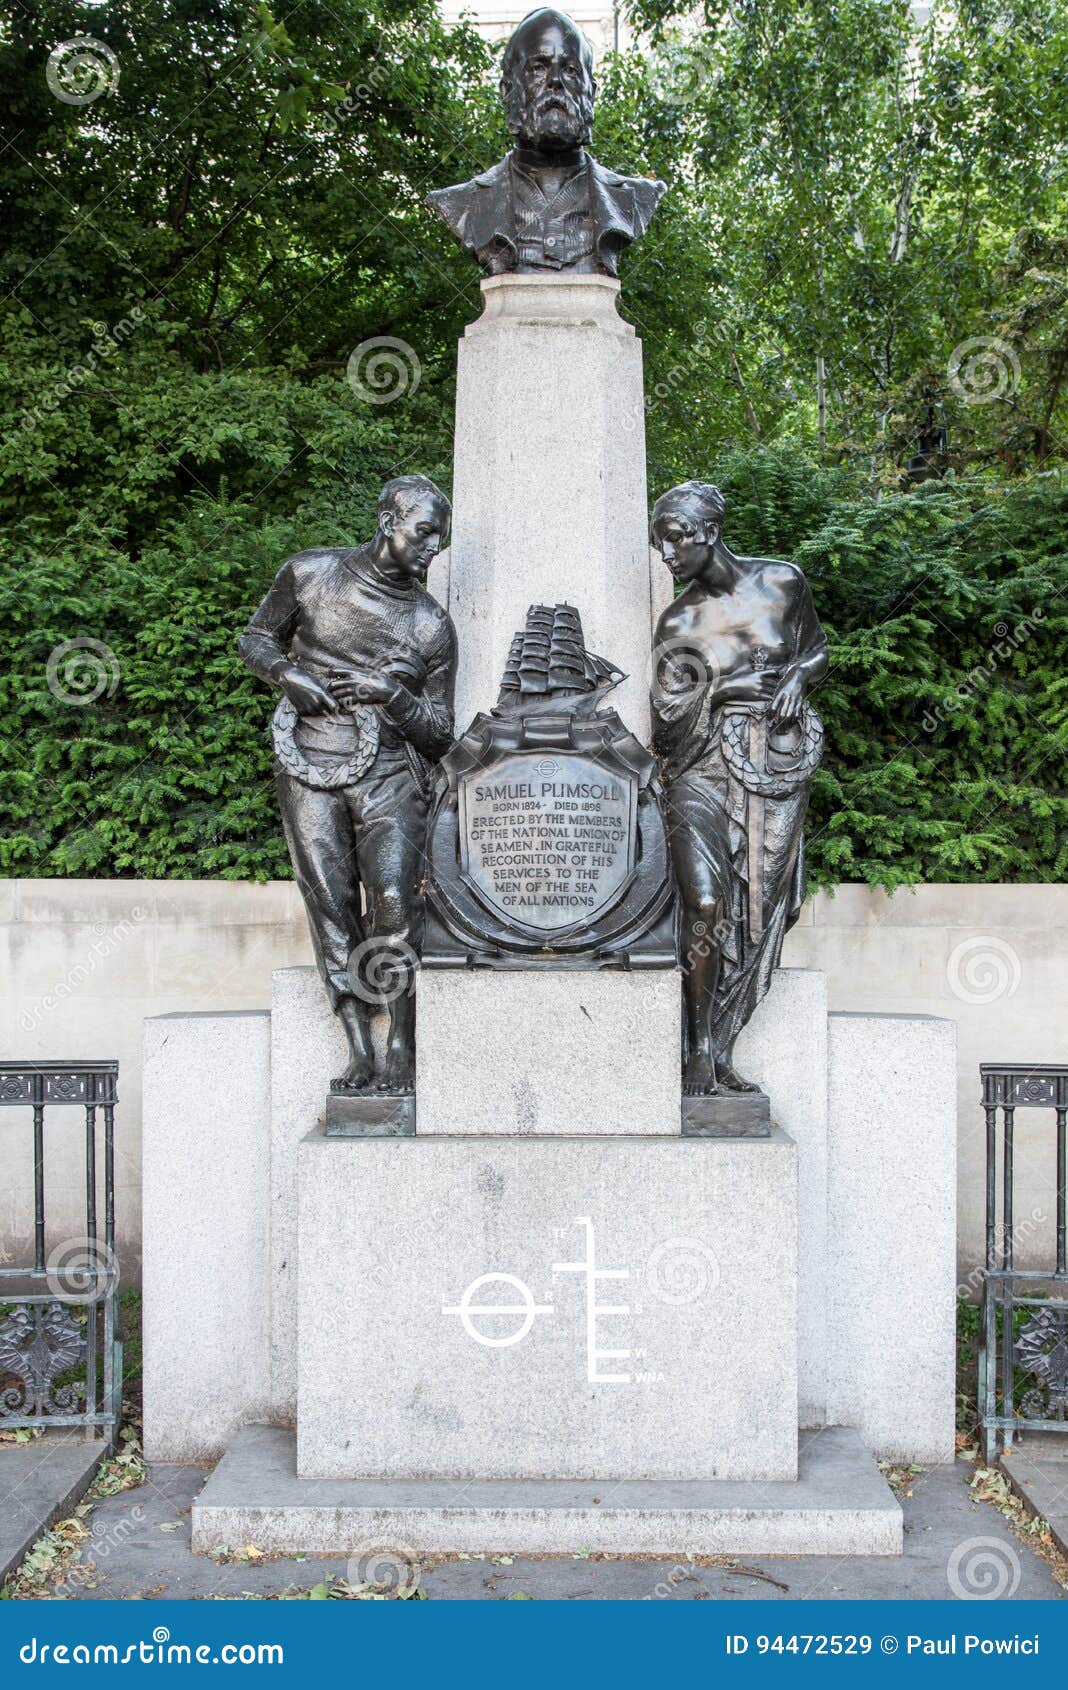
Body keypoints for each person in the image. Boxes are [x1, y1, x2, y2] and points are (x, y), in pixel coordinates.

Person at [238, 475, 456, 1096]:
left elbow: (441, 734)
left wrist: (395, 696)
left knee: (394, 901)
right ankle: (359, 1044)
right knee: (329, 899)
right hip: (308, 763)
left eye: (439, 538)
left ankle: (402, 1039)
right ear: (389, 520)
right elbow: (255, 637)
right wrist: (284, 673)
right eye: (423, 532)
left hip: (391, 773)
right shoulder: (310, 574)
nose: (431, 548)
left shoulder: (431, 625)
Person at [650, 481, 828, 1098]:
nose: (665, 556)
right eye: (659, 543)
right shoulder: (679, 620)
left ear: (708, 532)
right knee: (704, 902)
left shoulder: (784, 583)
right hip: (700, 770)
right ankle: (695, 1050)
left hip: (775, 768)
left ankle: (724, 1044)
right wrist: (724, 692)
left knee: (758, 910)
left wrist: (799, 679)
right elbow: (666, 725)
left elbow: (817, 651)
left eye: (672, 540)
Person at [427, 8, 665, 277]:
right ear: (507, 90)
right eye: (538, 68)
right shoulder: (464, 203)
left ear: (592, 92)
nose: (555, 82)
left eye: (571, 70)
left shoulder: (632, 199)